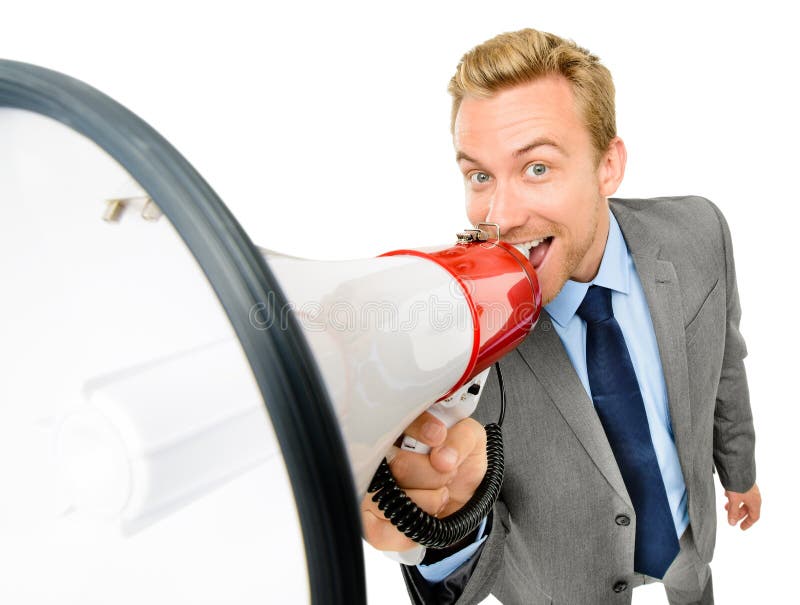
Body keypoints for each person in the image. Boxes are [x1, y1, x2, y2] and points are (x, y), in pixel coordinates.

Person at [361, 28, 760, 604]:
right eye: (479, 175)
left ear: (607, 166)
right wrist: (441, 526)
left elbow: (726, 364)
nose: (499, 216)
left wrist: (739, 473)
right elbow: (459, 543)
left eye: (537, 168)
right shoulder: (458, 331)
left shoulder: (699, 231)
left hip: (689, 551)